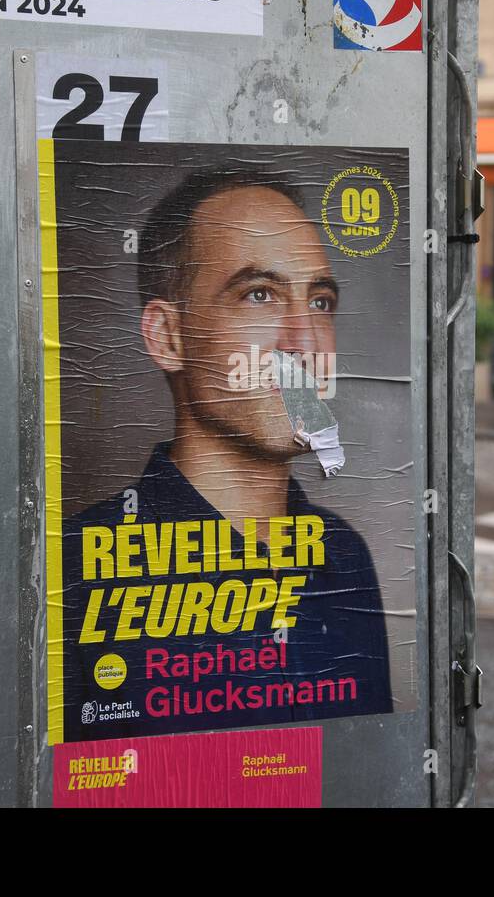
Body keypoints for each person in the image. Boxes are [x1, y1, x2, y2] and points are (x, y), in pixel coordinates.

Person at [57, 170, 393, 739]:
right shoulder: (76, 569)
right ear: (168, 336)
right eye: (259, 294)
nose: (305, 344)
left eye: (319, 300)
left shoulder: (346, 557)